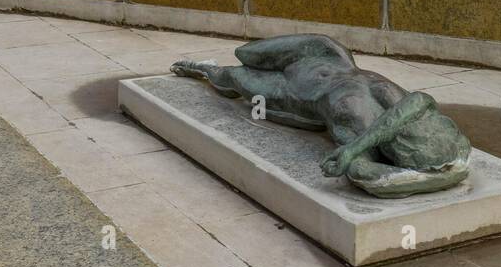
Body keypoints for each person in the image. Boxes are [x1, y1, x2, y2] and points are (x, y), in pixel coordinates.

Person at [171, 34, 471, 198]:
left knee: (234, 76)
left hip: (295, 93)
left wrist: (433, 178)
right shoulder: (407, 107)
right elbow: (419, 102)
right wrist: (452, 172)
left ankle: (205, 69)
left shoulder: (355, 137)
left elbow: (366, 176)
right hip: (329, 57)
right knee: (246, 52)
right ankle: (216, 74)